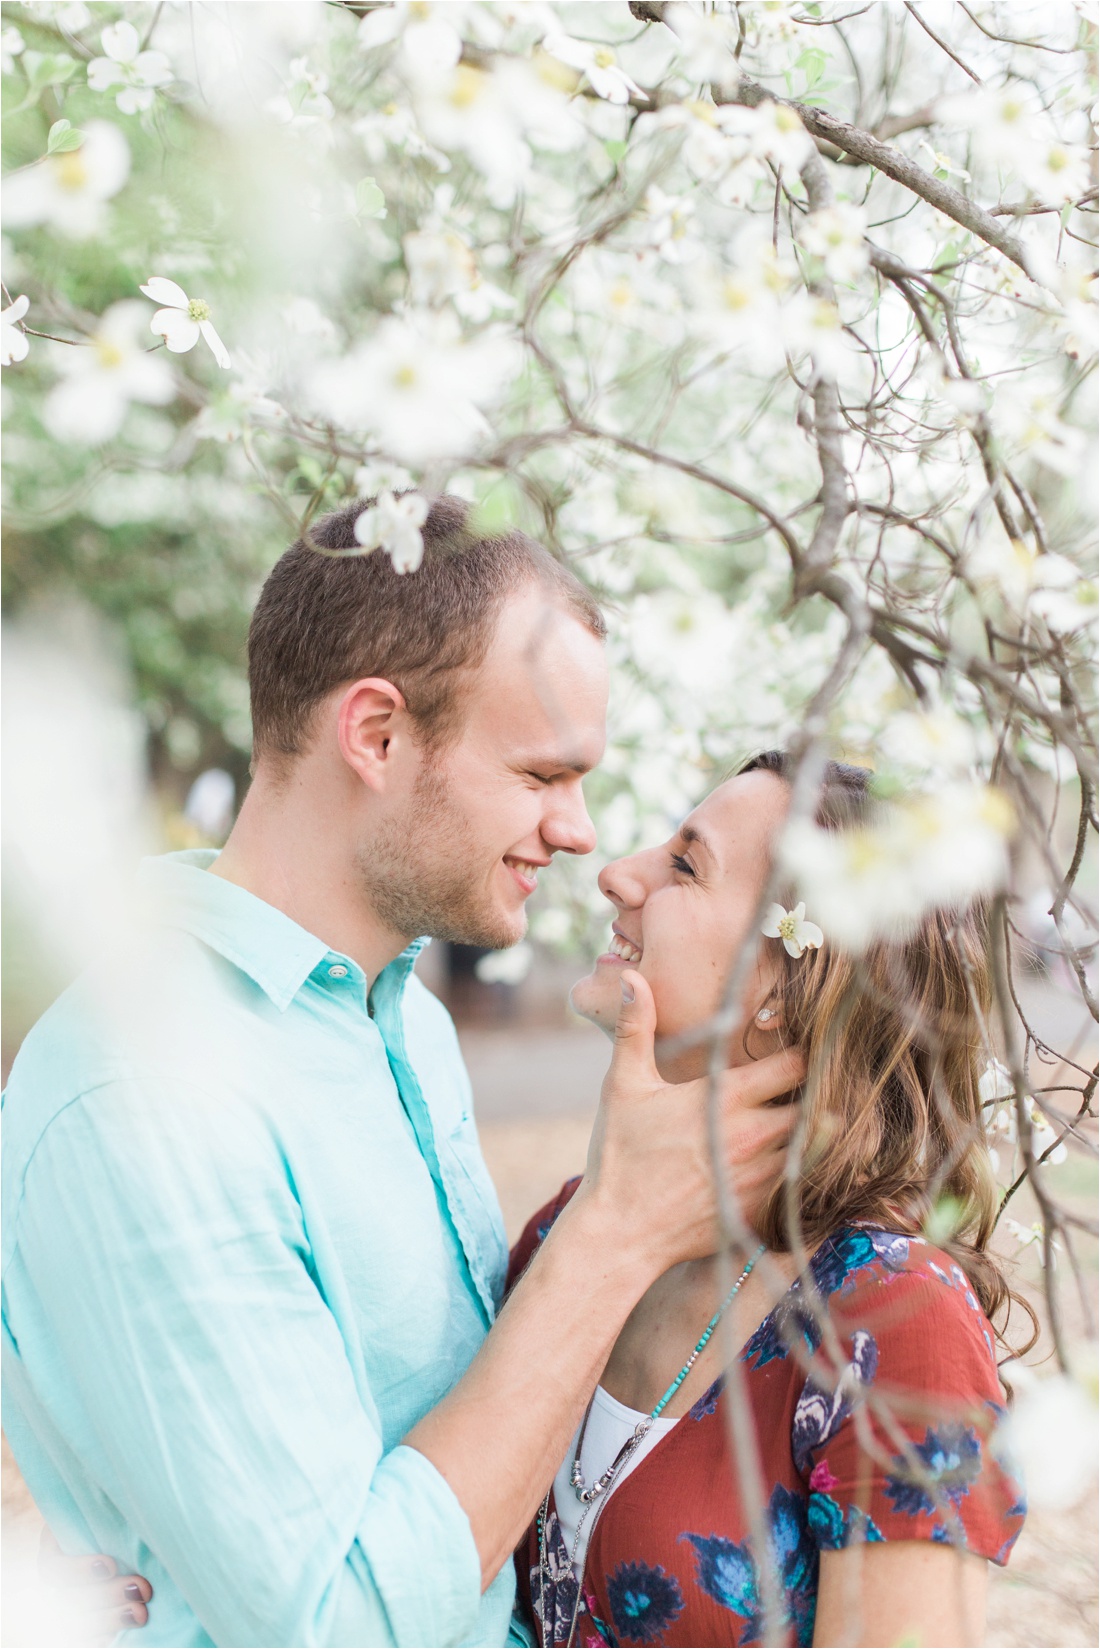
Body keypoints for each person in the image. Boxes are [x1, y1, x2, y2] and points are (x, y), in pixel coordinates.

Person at [1, 496, 803, 1648]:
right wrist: (617, 1230)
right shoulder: (142, 1089)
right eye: (541, 773)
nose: (579, 832)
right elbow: (338, 1626)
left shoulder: (400, 1020)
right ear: (374, 734)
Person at [510, 753, 1028, 1649]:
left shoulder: (892, 1324)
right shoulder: (562, 1234)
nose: (616, 872)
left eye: (684, 864)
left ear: (785, 991)